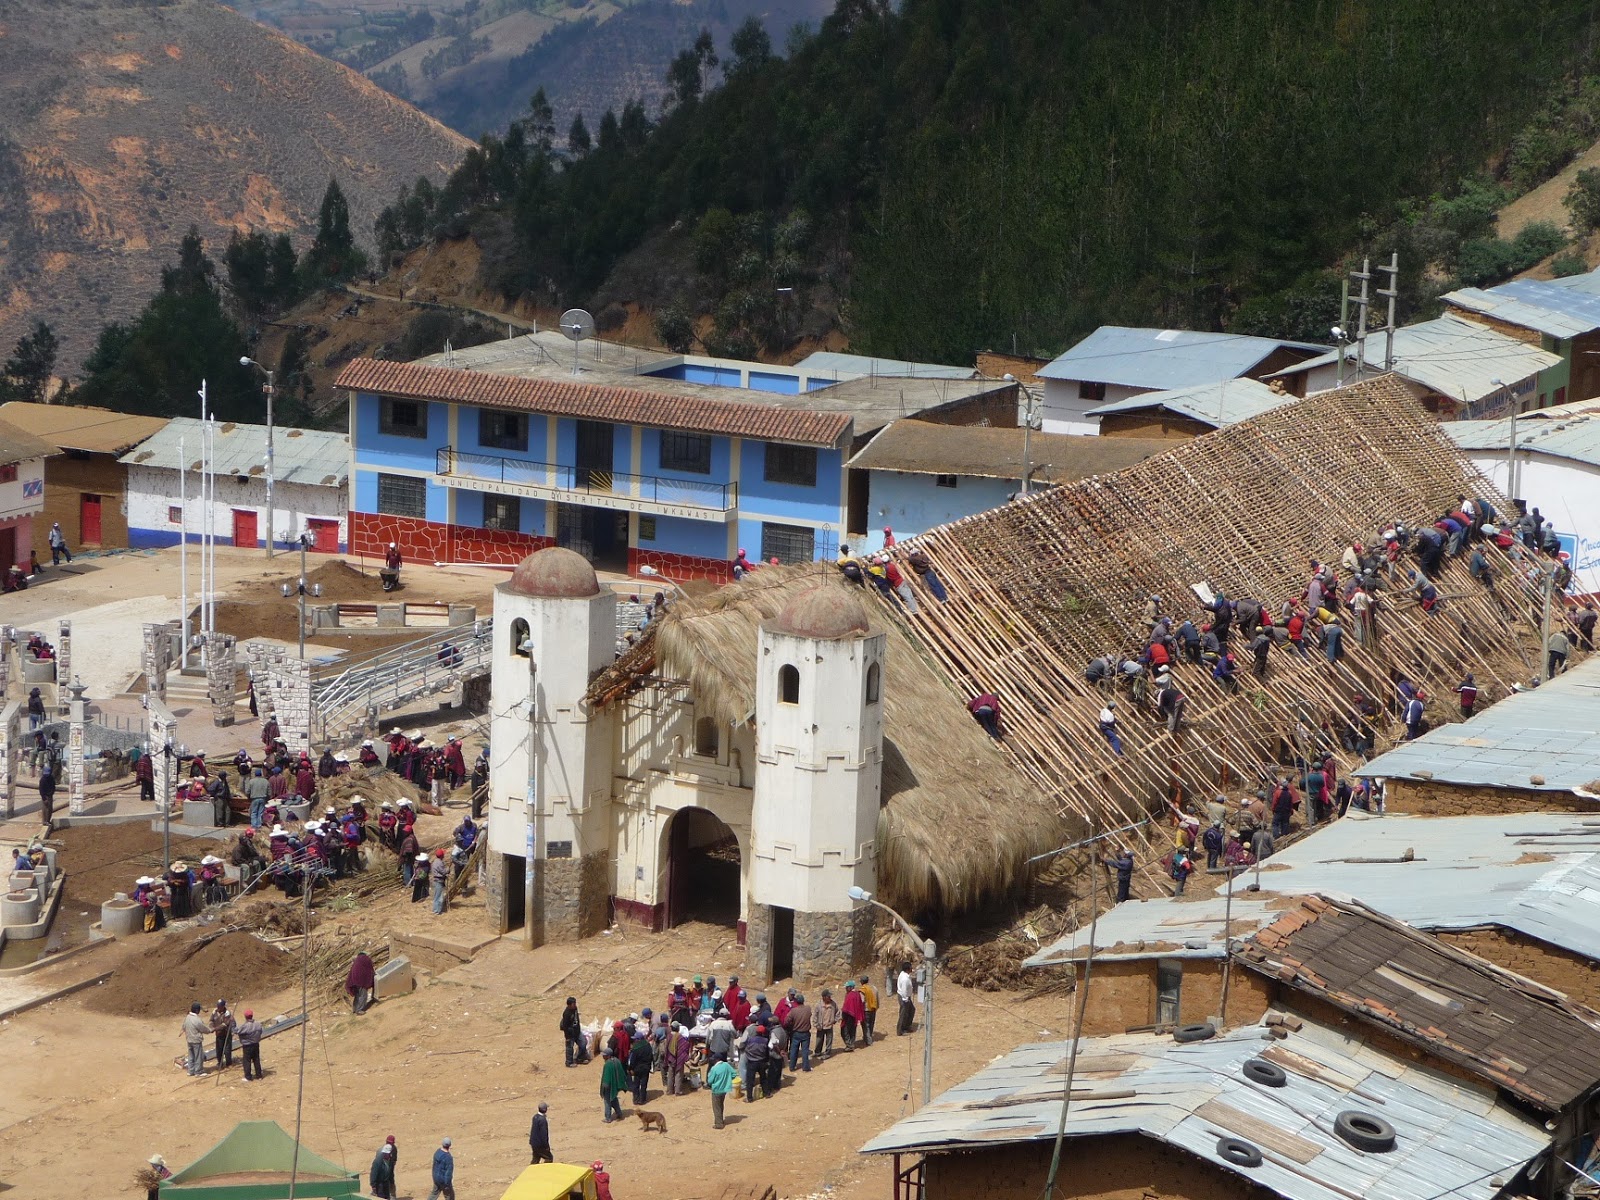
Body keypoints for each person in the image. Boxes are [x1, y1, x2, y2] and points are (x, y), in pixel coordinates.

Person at [599, 1047, 627, 1122]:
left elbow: (607, 1077)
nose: (603, 1056)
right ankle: (619, 1113)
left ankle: (608, 1117)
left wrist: (604, 1087)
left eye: (604, 1055)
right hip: (615, 1085)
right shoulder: (617, 1061)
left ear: (608, 1056)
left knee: (607, 1101)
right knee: (614, 1098)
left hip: (608, 1086)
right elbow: (622, 1073)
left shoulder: (608, 1064)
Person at [708, 1052, 735, 1128]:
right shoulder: (726, 1065)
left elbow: (710, 1081)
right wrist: (728, 1080)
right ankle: (720, 1119)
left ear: (716, 1060)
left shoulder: (714, 1068)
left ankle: (719, 1124)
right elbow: (734, 1074)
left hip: (716, 1090)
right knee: (720, 1104)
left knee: (716, 1106)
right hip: (724, 1090)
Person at [182, 1003, 208, 1077]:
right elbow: (203, 1028)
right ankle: (198, 1071)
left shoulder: (187, 1017)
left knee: (191, 1056)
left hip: (189, 1040)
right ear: (197, 1010)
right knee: (198, 1056)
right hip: (196, 1040)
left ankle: (191, 1071)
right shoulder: (196, 1020)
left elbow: (184, 1026)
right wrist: (210, 1030)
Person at [560, 996, 587, 1066]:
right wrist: (567, 1037)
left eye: (575, 1003)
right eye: (573, 1004)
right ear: (569, 1005)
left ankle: (579, 1058)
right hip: (570, 1034)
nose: (575, 1005)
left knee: (583, 1043)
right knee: (569, 1048)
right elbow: (565, 1026)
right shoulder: (566, 1013)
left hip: (577, 1032)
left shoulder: (575, 1009)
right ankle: (569, 1062)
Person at [346, 950, 376, 1014]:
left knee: (357, 995)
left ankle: (355, 1009)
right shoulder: (365, 959)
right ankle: (359, 1010)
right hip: (362, 981)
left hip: (355, 980)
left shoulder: (357, 960)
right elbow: (370, 969)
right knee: (363, 995)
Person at [238, 1009, 264, 1081]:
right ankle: (259, 1075)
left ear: (245, 1017)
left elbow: (238, 1031)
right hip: (256, 1044)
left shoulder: (245, 1026)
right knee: (256, 1059)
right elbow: (261, 1031)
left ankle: (248, 1077)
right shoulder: (258, 1024)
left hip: (247, 1046)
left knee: (247, 1061)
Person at [210, 999, 236, 1068]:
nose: (218, 1008)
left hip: (226, 1034)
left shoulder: (227, 1013)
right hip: (218, 1035)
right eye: (218, 1006)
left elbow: (224, 1025)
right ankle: (220, 1063)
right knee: (219, 1050)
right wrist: (211, 1026)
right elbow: (211, 1020)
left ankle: (228, 1063)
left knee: (227, 1049)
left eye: (220, 1006)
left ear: (223, 1006)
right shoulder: (214, 1012)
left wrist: (215, 1029)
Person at [815, 988, 839, 1060]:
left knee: (829, 1040)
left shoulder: (833, 1004)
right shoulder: (819, 1005)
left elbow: (838, 1013)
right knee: (819, 1040)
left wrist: (834, 1020)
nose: (830, 998)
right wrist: (816, 1024)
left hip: (829, 1026)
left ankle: (827, 1053)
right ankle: (817, 1052)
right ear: (824, 997)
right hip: (821, 1026)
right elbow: (815, 1015)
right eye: (828, 996)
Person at [840, 980, 865, 1051]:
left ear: (850, 987)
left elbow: (847, 1007)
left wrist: (843, 1016)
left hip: (849, 1016)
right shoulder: (857, 994)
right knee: (852, 1030)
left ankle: (849, 1045)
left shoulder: (850, 995)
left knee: (844, 1030)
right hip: (855, 1016)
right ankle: (852, 1043)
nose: (846, 989)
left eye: (847, 987)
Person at [858, 974, 879, 1046]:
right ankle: (867, 1037)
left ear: (861, 982)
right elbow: (877, 999)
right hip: (873, 1008)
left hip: (866, 1009)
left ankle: (868, 1040)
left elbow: (862, 1001)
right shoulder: (874, 988)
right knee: (871, 1024)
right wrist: (876, 1007)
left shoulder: (862, 990)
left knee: (865, 1025)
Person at [896, 963, 915, 1035]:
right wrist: (906, 999)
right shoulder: (905, 979)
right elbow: (904, 990)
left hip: (906, 997)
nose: (912, 969)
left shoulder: (903, 974)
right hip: (904, 997)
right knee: (903, 1013)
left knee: (911, 1010)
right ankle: (900, 1030)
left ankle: (907, 1026)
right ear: (908, 969)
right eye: (910, 968)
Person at [430, 848, 449, 914]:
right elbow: (443, 872)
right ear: (441, 856)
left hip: (436, 881)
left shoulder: (434, 861)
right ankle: (437, 911)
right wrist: (448, 870)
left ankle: (435, 909)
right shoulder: (439, 863)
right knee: (439, 896)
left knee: (436, 896)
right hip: (439, 881)